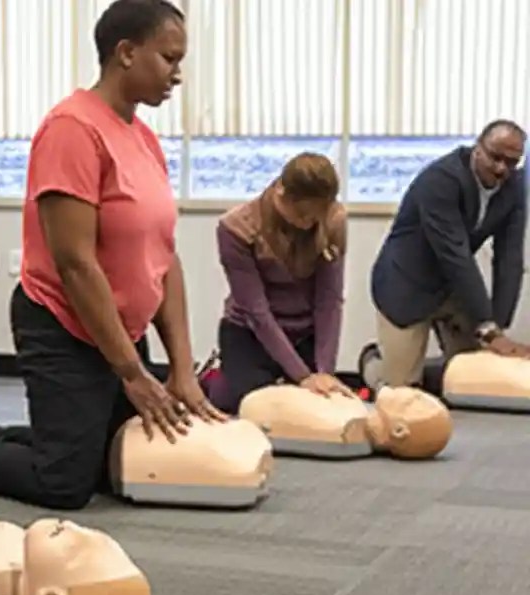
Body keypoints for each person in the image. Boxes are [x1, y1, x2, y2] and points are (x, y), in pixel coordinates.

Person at [0, 0, 224, 512]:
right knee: (66, 484)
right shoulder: (72, 129)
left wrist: (180, 366)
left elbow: (166, 258)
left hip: (119, 332)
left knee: (117, 460)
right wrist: (133, 374)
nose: (177, 75)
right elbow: (75, 265)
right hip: (61, 326)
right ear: (125, 53)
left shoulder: (142, 139)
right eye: (168, 58)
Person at [370, 119, 530, 388]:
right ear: (477, 148)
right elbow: (455, 256)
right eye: (495, 157)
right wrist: (488, 331)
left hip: (452, 287)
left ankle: (434, 374)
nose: (502, 168)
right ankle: (372, 365)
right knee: (402, 392)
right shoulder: (441, 179)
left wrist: (497, 326)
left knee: (475, 376)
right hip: (407, 283)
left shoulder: (514, 188)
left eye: (512, 162)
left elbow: (509, 258)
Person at [207, 152, 353, 413]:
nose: (309, 224)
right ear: (281, 194)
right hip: (250, 332)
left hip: (305, 330)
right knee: (254, 406)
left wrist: (324, 373)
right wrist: (302, 376)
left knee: (314, 407)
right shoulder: (237, 228)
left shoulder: (333, 219)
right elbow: (256, 311)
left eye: (315, 218)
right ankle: (213, 380)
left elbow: (329, 300)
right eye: (302, 215)